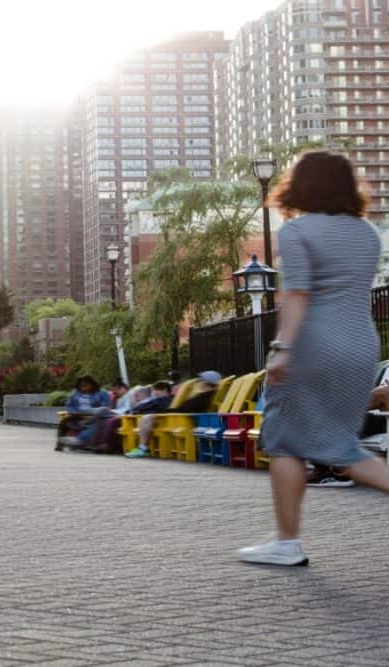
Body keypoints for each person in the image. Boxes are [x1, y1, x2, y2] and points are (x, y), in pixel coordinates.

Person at [235, 150, 389, 567]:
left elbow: (297, 294)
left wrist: (282, 348)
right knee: (340, 444)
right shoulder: (366, 233)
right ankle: (284, 541)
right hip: (360, 347)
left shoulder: (297, 230)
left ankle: (287, 542)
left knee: (285, 441)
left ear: (300, 183)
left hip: (313, 346)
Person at [124, 371, 222, 458]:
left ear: (207, 383)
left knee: (147, 418)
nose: (199, 383)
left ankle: (143, 448)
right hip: (180, 415)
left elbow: (186, 410)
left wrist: (167, 411)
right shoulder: (204, 395)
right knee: (146, 417)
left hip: (183, 418)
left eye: (202, 381)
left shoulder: (204, 396)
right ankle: (143, 447)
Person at [56, 376, 112, 451]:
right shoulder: (75, 393)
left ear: (92, 384)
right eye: (80, 386)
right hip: (78, 416)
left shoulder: (102, 393)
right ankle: (60, 443)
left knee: (97, 423)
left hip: (95, 417)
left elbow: (105, 408)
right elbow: (69, 406)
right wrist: (77, 413)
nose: (82, 388)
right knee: (64, 422)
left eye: (85, 385)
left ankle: (81, 441)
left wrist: (91, 416)